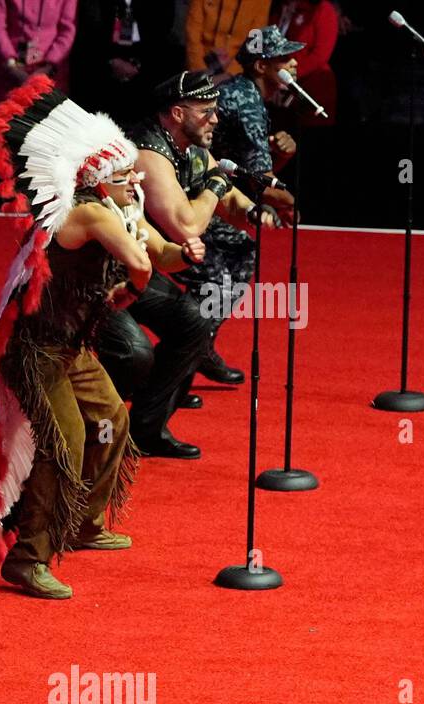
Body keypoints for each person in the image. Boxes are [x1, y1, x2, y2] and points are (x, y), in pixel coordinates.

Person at [0, 75, 206, 599]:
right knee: (67, 440)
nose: (134, 184)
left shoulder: (119, 210)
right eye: (124, 176)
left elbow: (157, 251)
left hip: (71, 347)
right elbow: (142, 262)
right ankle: (28, 557)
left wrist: (183, 250)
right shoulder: (91, 211)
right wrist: (130, 288)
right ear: (98, 179)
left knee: (112, 420)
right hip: (33, 349)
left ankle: (81, 522)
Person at [110, 69, 277, 458]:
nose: (216, 119)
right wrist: (216, 186)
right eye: (206, 111)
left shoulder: (192, 150)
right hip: (104, 272)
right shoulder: (150, 153)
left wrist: (255, 213)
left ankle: (146, 431)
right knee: (136, 353)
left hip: (147, 264)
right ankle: (101, 427)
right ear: (178, 113)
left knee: (196, 323)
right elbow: (186, 224)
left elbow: (229, 200)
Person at [174, 29, 301, 334]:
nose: (294, 62)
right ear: (261, 66)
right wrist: (291, 205)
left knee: (238, 252)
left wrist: (280, 156)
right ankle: (192, 345)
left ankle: (198, 342)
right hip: (185, 194)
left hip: (203, 187)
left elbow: (251, 174)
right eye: (284, 58)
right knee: (221, 274)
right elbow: (263, 185)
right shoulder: (248, 104)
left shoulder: (242, 91)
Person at [183, 0, 269, 78]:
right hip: (198, 62)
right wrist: (200, 71)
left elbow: (254, 44)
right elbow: (192, 32)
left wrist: (230, 75)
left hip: (235, 73)